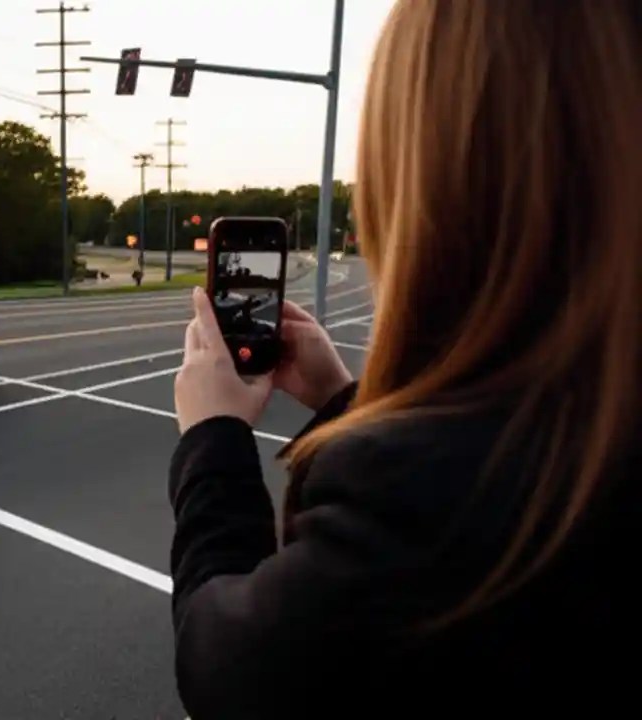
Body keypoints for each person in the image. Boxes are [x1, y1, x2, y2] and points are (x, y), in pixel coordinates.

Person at [168, 1, 640, 717]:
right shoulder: (591, 420)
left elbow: (227, 665)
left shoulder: (424, 500)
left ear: (434, 178)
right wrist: (342, 400)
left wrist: (212, 440)